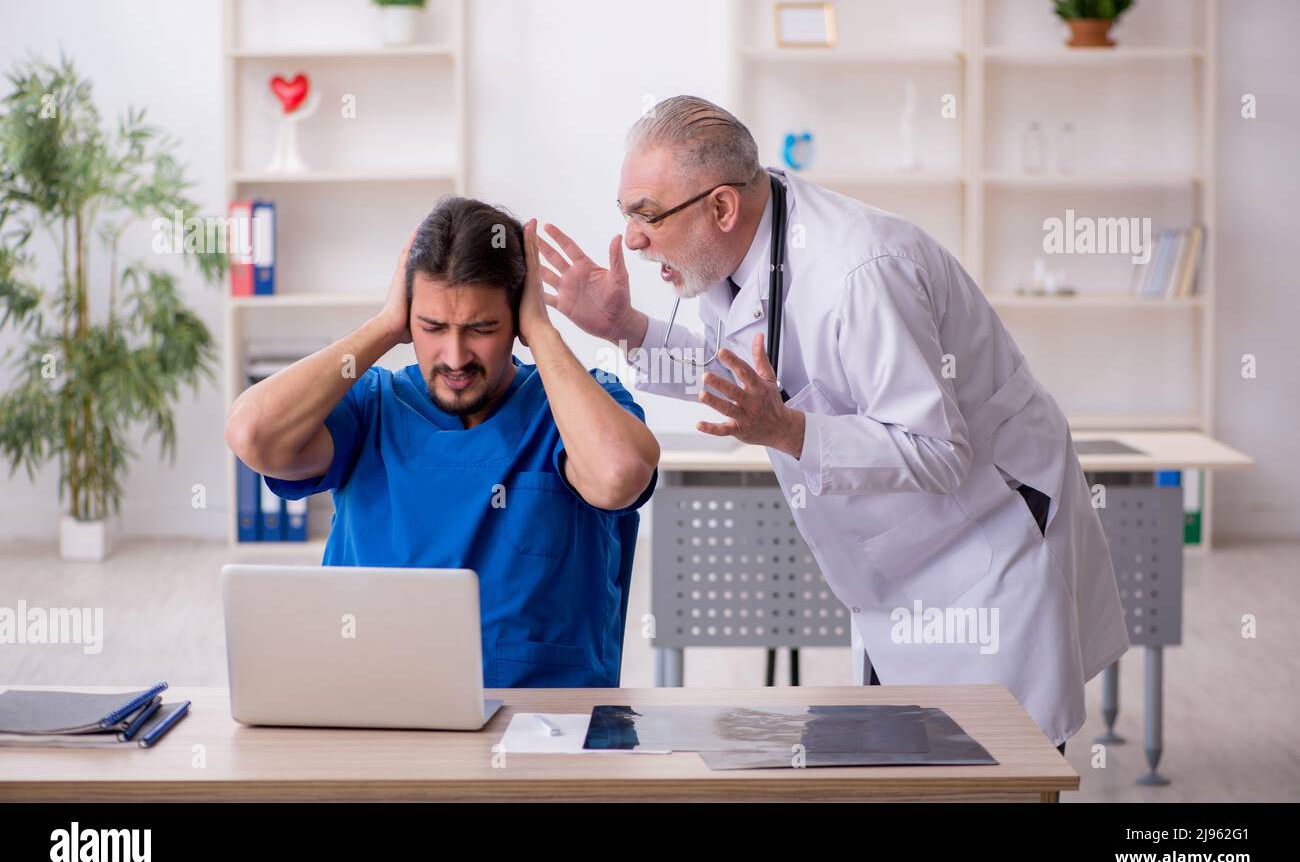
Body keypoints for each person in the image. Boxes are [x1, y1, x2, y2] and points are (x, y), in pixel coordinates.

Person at [539, 95, 1129, 752]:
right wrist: (626, 328)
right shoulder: (736, 259)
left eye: (647, 217)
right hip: (897, 573)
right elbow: (747, 377)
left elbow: (937, 450)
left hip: (987, 557)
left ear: (722, 207)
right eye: (626, 215)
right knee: (910, 774)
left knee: (999, 775)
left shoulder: (861, 271)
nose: (632, 241)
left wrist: (789, 430)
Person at [224, 197, 659, 687]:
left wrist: (541, 330)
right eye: (432, 327)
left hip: (544, 728)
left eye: (481, 328)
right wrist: (384, 327)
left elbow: (619, 474)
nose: (454, 357)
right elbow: (252, 434)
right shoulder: (371, 406)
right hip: (377, 709)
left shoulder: (577, 403)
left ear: (515, 317)